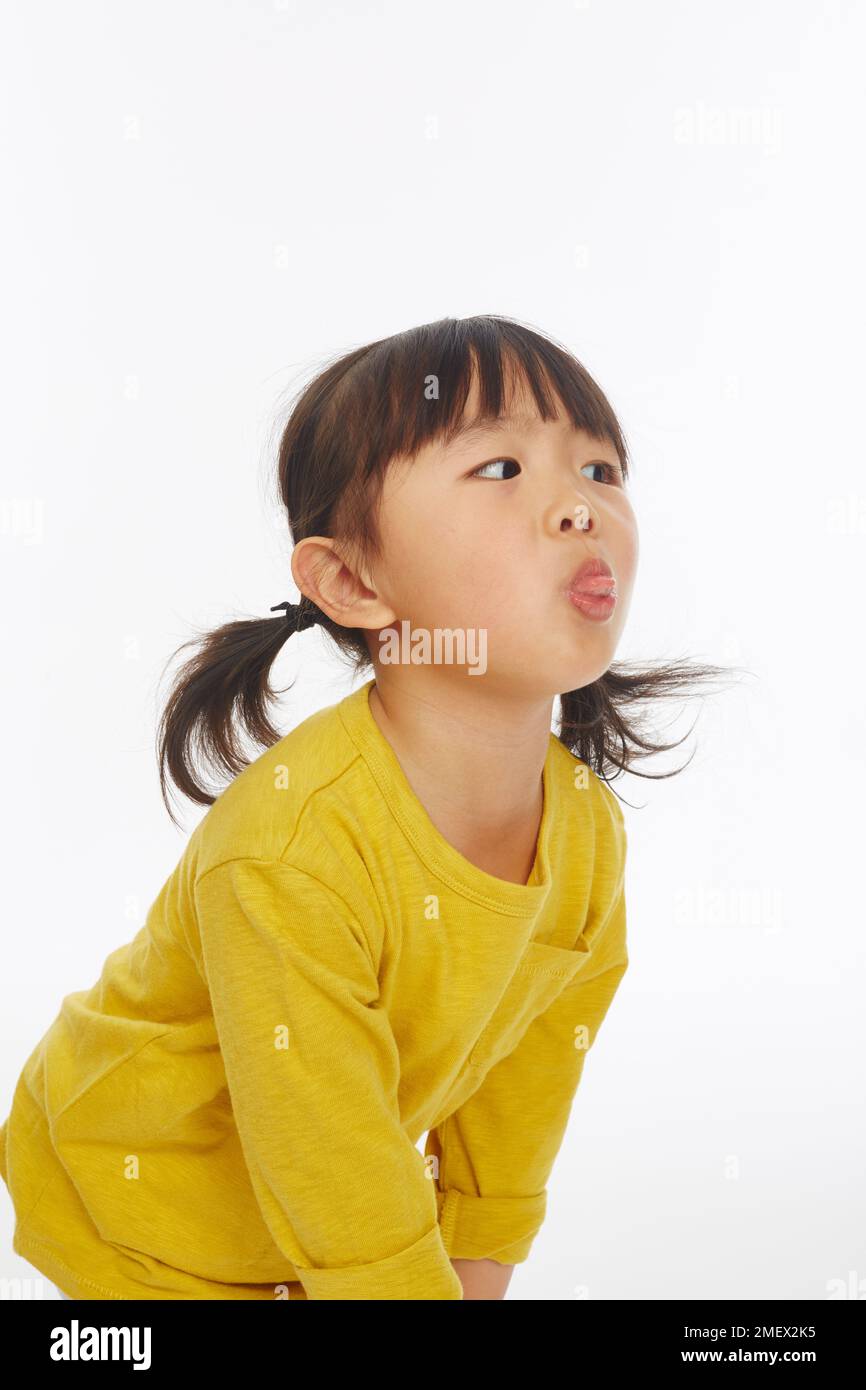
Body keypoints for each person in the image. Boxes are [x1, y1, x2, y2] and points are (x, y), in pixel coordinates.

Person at [0, 315, 728, 1300]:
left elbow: (519, 1096)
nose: (578, 507)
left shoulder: (585, 831)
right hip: (141, 1198)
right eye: (500, 469)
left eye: (598, 469)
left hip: (313, 1211)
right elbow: (329, 1157)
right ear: (350, 579)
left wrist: (470, 1275)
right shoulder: (292, 854)